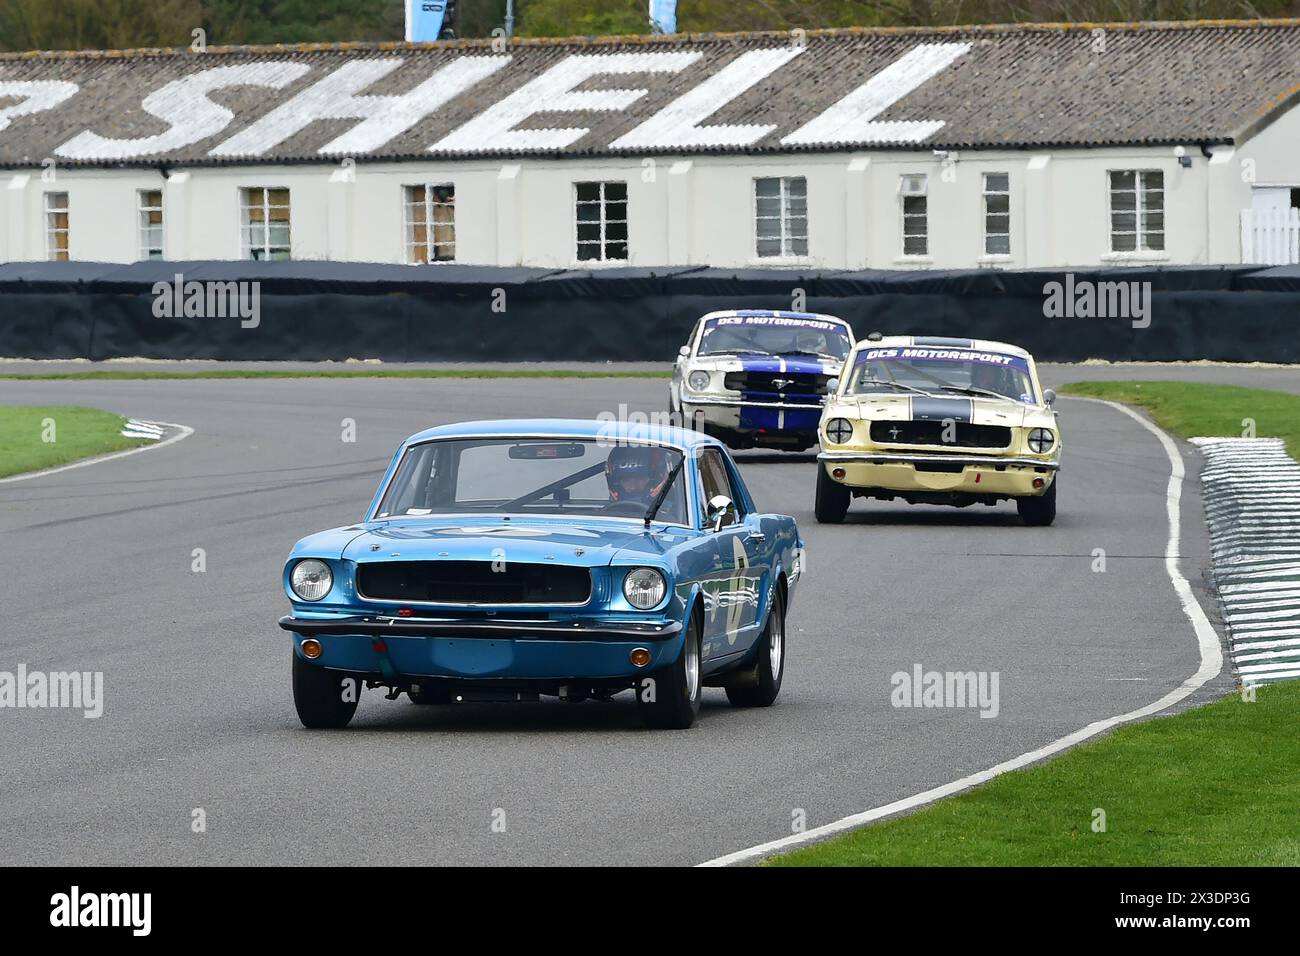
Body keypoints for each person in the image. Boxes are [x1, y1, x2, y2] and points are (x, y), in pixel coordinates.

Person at [605, 445, 672, 507]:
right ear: (614, 482)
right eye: (626, 480)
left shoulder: (675, 511)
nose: (633, 487)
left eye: (641, 478)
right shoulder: (601, 512)